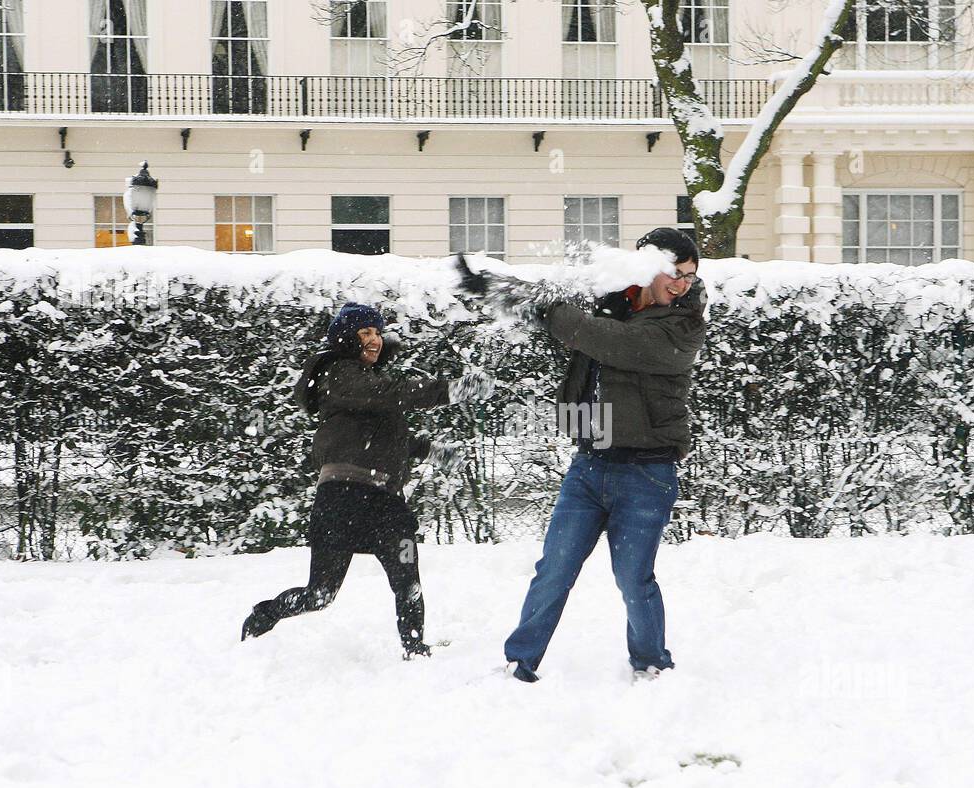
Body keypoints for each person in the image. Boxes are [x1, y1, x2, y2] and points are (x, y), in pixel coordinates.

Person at [466, 228, 708, 682]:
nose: (681, 285)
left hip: (646, 473)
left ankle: (652, 664)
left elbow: (596, 338)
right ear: (645, 268)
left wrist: (565, 315)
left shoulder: (683, 326)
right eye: (674, 274)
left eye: (689, 277)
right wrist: (501, 288)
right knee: (553, 571)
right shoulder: (615, 303)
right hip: (589, 467)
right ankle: (521, 661)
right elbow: (566, 323)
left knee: (634, 580)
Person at [240, 302, 493, 657]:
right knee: (320, 594)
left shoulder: (368, 382)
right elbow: (391, 394)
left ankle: (415, 648)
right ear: (347, 338)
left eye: (377, 332)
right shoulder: (339, 374)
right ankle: (262, 618)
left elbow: (384, 436)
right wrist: (450, 390)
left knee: (408, 583)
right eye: (365, 333)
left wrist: (430, 451)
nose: (374, 340)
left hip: (387, 503)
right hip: (342, 498)